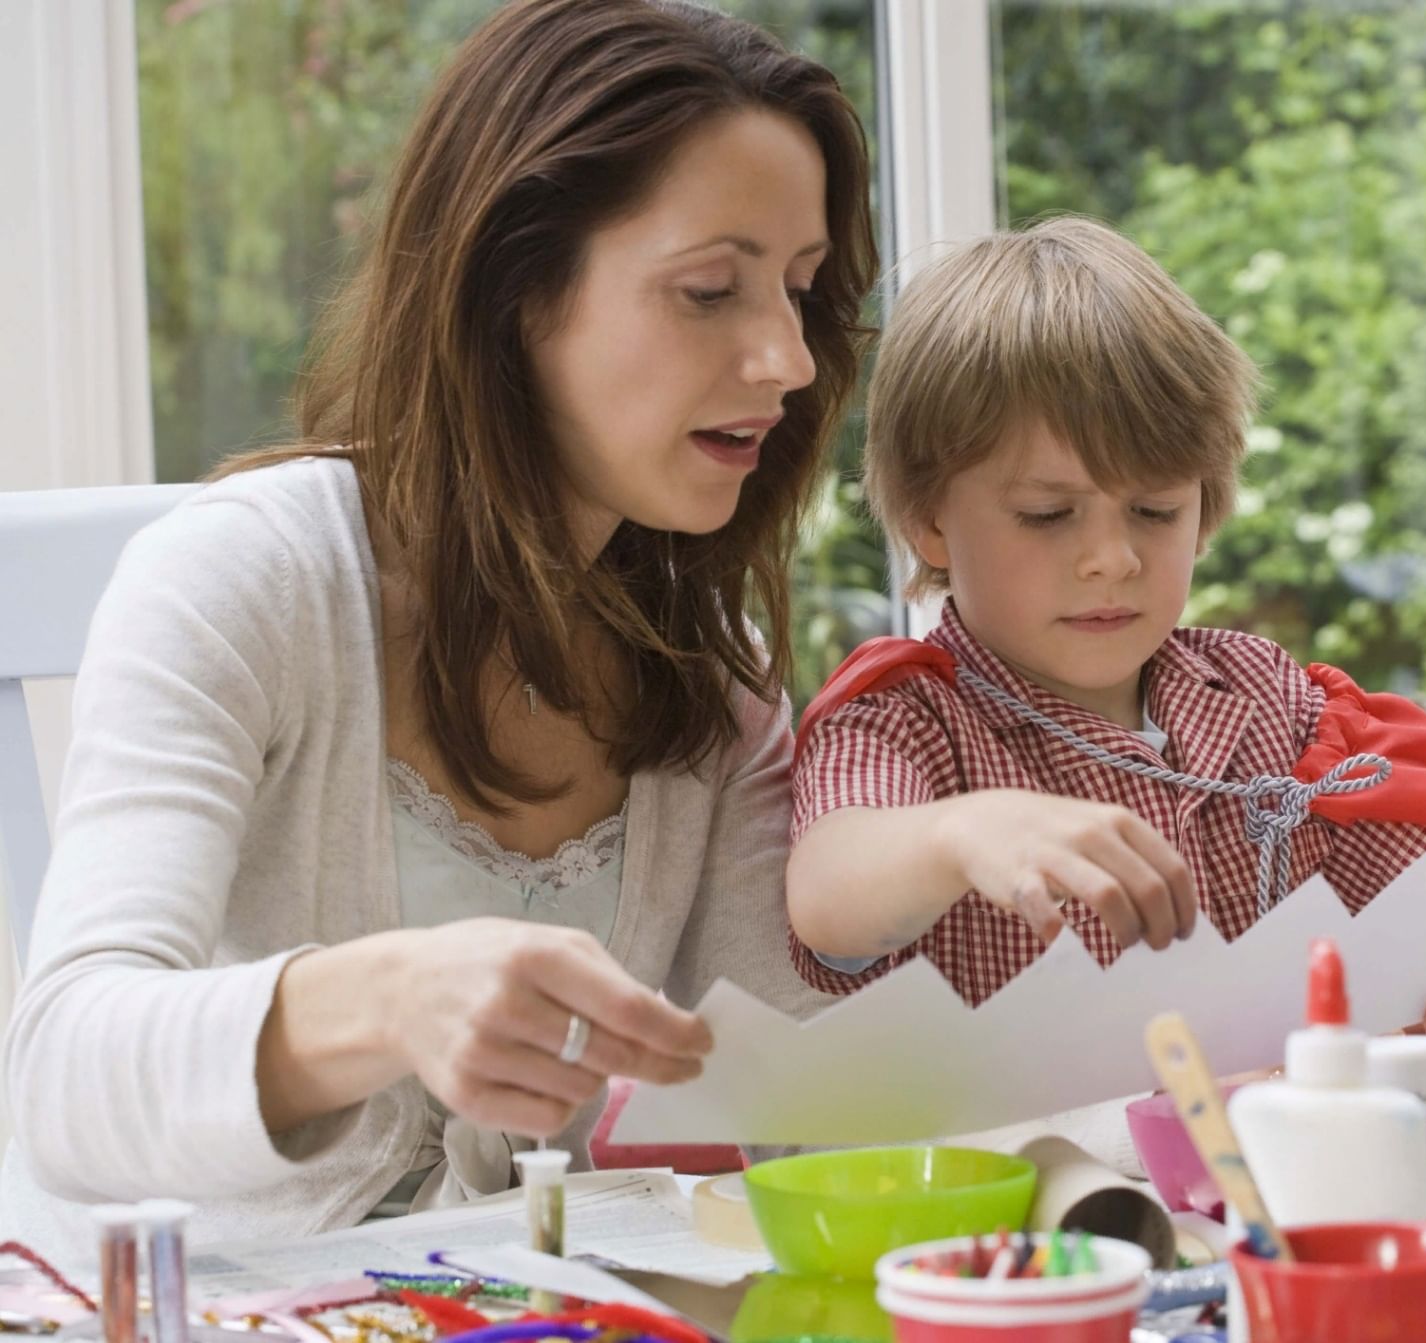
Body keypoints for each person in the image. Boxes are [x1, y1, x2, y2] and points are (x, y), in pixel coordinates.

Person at [1, 0, 874, 1262]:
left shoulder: (707, 657)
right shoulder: (247, 577)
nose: (789, 359)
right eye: (709, 290)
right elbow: (64, 1072)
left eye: (798, 292)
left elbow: (774, 1099)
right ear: (516, 287)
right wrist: (387, 1000)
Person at [785, 217, 1426, 1106]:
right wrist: (960, 834)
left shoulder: (1269, 701)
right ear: (929, 520)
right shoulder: (903, 718)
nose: (1114, 558)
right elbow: (828, 896)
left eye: (1154, 511)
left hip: (1264, 1223)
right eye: (1047, 514)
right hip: (1028, 1237)